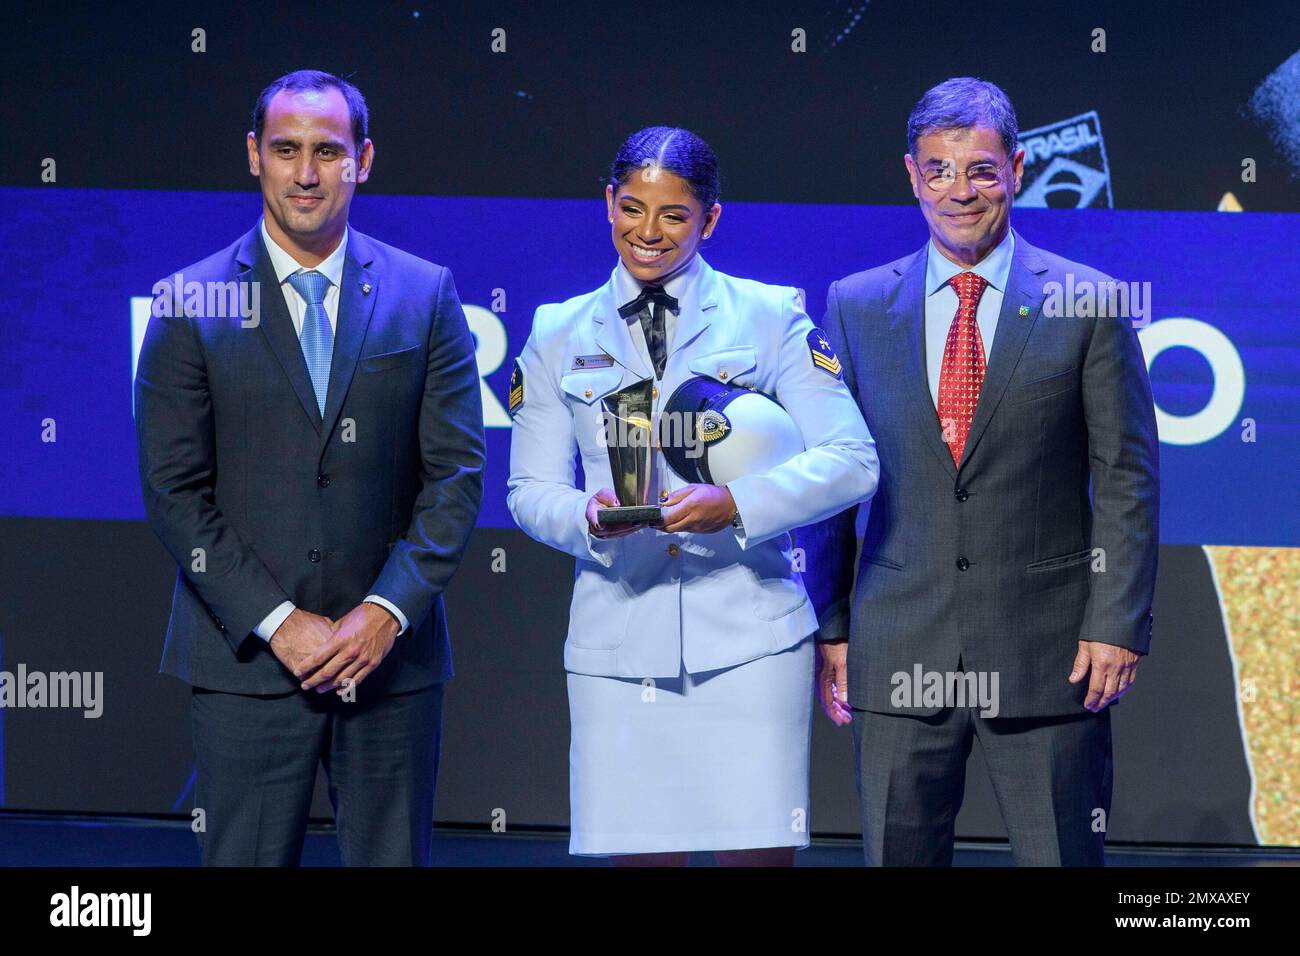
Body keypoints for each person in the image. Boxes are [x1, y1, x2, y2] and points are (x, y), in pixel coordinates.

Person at [804, 77, 1159, 866]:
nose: (958, 192)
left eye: (980, 170)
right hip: (897, 645)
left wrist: (1115, 622)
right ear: (911, 174)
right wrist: (830, 625)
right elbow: (830, 479)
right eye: (938, 170)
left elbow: (1126, 476)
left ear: (1018, 169)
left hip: (1049, 654)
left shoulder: (1086, 303)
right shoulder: (856, 306)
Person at [133, 70, 484, 865]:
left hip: (390, 667)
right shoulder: (191, 301)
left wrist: (384, 614)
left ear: (363, 159)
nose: (306, 173)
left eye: (328, 150)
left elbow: (457, 476)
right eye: (286, 149)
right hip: (248, 663)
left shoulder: (423, 294)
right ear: (254, 155)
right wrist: (278, 622)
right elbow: (173, 490)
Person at [507, 126, 878, 865]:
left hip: (751, 640)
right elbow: (528, 490)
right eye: (631, 208)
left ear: (710, 219)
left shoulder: (770, 316)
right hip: (616, 642)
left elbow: (852, 461)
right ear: (606, 203)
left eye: (674, 215)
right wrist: (582, 518)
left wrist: (738, 505)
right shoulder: (556, 331)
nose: (648, 232)